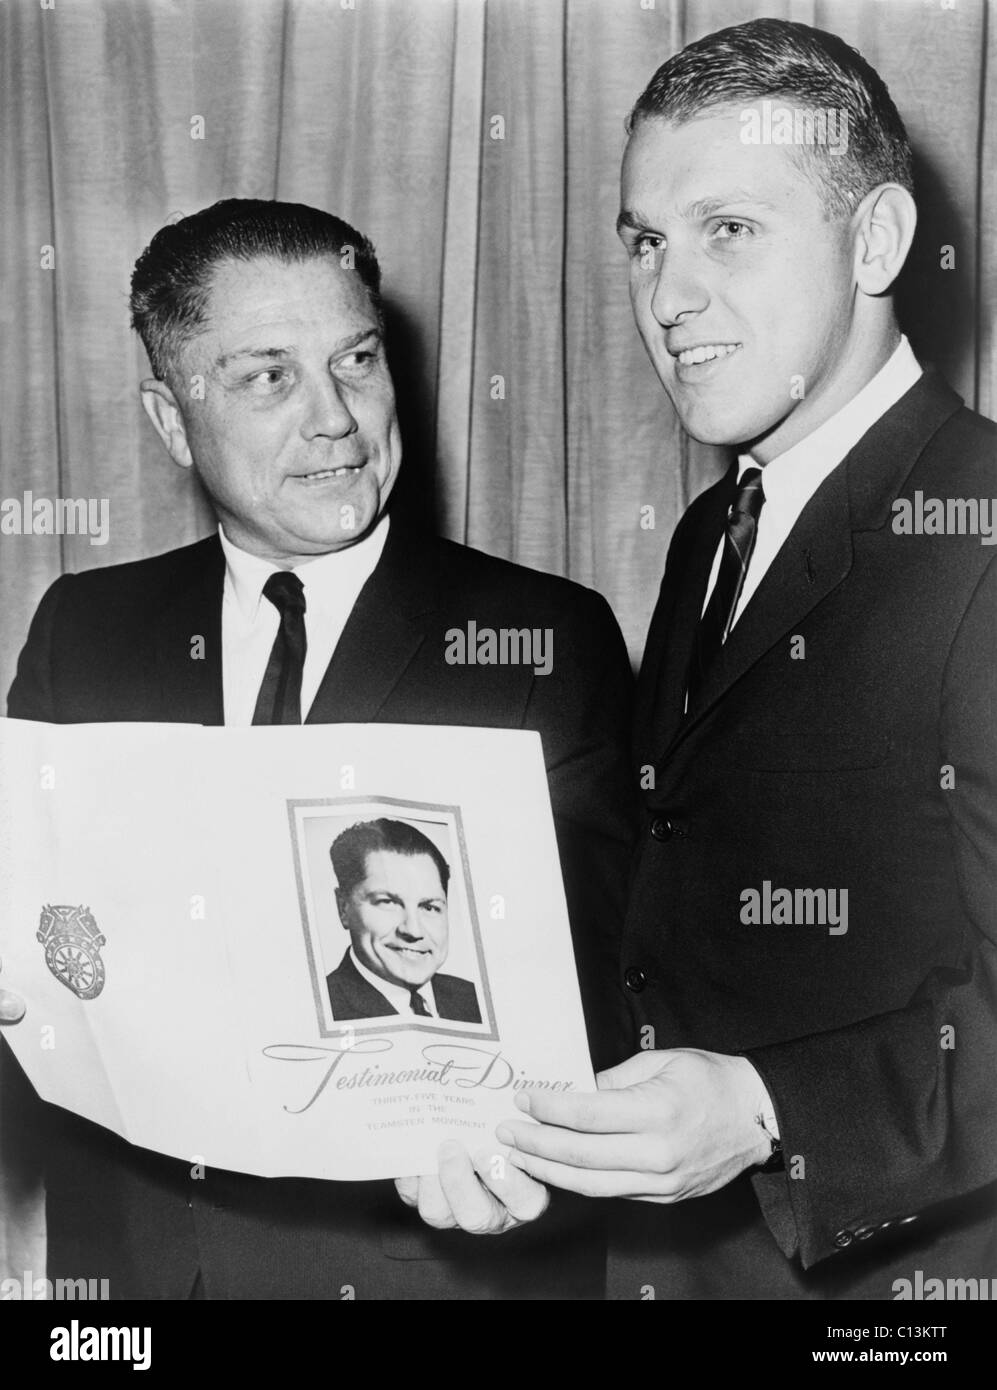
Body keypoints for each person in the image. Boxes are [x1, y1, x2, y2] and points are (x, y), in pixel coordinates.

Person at [417, 18, 997, 1301]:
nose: (666, 298)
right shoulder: (712, 530)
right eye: (645, 242)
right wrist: (482, 1112)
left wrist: (763, 1107)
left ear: (877, 241)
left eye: (726, 228)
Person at [0, 198, 637, 1299]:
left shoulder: (542, 637)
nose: (335, 418)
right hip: (138, 1274)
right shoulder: (84, 627)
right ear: (169, 417)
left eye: (356, 359)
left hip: (422, 1271)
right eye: (266, 377)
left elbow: (594, 977)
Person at [325, 818, 481, 1024]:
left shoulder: (474, 1000)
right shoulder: (321, 1007)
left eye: (429, 907)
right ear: (343, 908)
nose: (414, 931)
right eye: (388, 902)